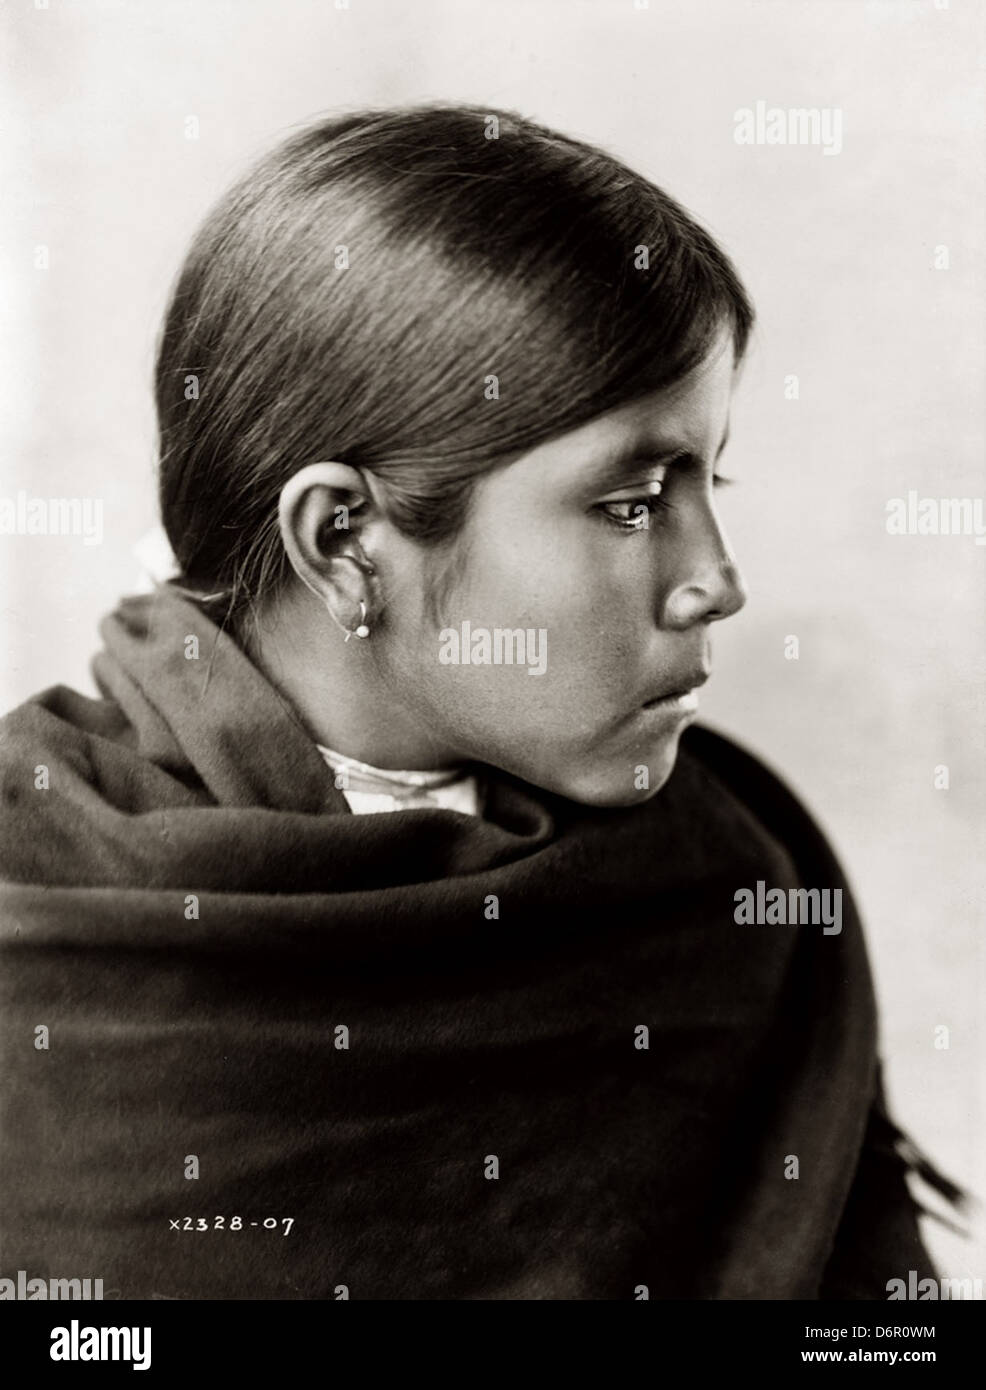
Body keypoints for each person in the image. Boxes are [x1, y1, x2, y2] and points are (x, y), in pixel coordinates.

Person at [0, 104, 959, 1300]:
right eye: (628, 501)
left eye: (706, 480)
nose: (716, 580)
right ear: (344, 541)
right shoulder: (39, 916)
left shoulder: (731, 883)